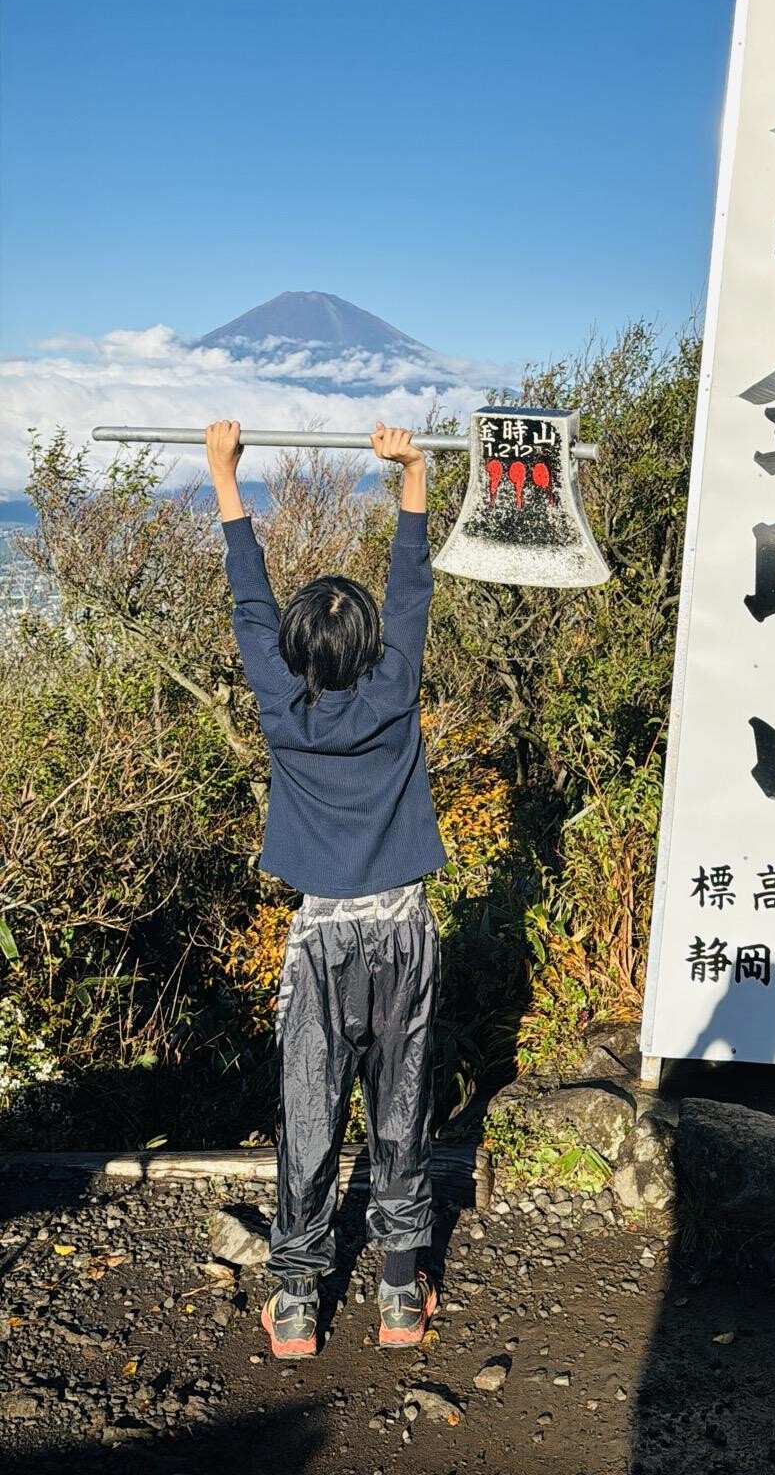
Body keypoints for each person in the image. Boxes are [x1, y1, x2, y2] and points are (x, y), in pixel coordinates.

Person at [204, 418, 447, 1360]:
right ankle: (395, 1297)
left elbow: (249, 603)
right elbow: (411, 584)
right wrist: (413, 474)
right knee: (401, 1103)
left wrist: (226, 479)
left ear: (300, 655)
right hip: (404, 930)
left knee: (310, 1110)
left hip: (321, 944)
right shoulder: (394, 691)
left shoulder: (280, 703)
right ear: (373, 650)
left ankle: (298, 1303)